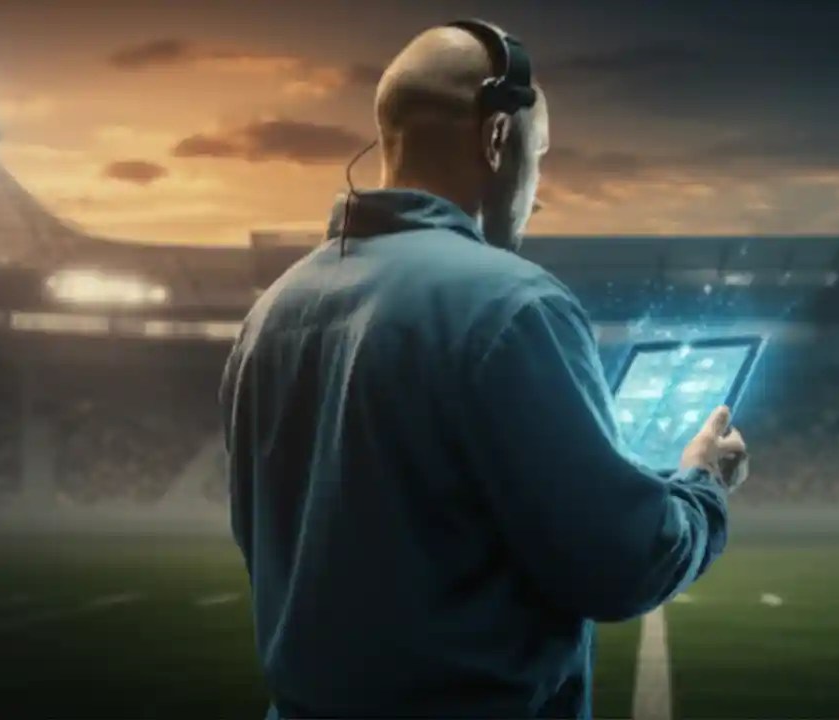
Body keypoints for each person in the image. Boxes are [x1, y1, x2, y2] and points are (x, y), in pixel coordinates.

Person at [219, 20, 749, 720]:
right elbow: (623, 563)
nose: (541, 190)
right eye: (541, 155)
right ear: (498, 138)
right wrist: (703, 484)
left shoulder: (270, 316)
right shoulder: (515, 304)